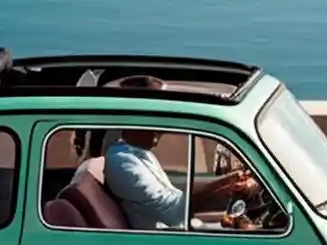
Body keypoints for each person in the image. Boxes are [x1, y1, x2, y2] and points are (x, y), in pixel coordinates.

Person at [102, 76, 258, 230]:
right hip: (162, 244)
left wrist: (228, 182)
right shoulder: (123, 164)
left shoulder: (138, 154)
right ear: (135, 117)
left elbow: (175, 197)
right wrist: (222, 183)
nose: (161, 128)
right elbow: (175, 213)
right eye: (155, 116)